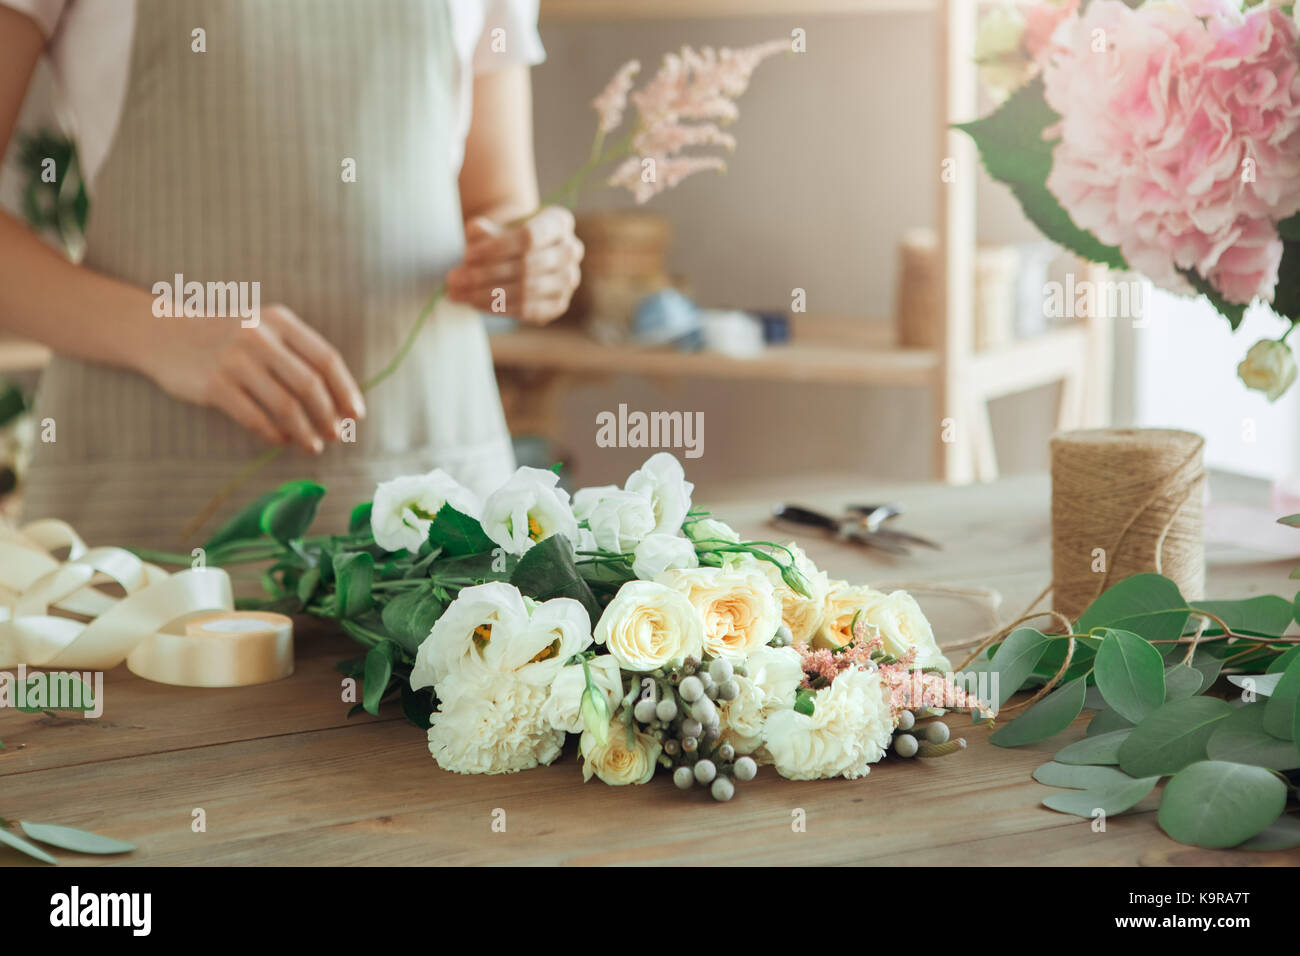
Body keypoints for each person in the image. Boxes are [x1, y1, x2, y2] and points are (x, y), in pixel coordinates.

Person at [0, 0, 582, 549]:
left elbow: (497, 201)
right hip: (151, 505)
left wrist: (532, 261)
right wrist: (166, 335)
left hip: (432, 500)